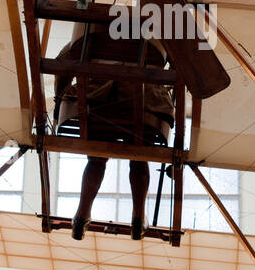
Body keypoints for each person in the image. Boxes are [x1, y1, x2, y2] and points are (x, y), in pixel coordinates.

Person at [51, 19, 174, 241]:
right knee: (139, 158)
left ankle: (82, 212)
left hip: (92, 99)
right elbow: (180, 66)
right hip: (145, 102)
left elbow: (63, 61)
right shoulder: (158, 26)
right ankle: (138, 216)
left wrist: (59, 102)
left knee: (96, 159)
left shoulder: (92, 26)